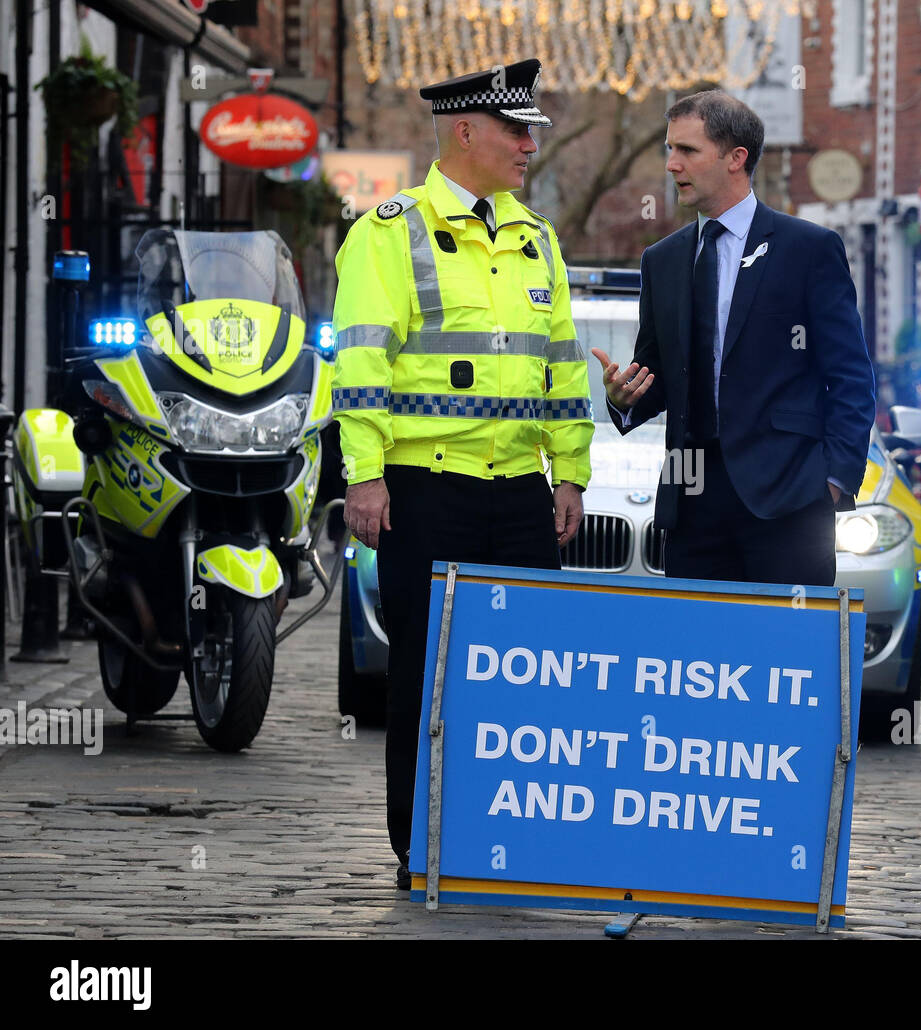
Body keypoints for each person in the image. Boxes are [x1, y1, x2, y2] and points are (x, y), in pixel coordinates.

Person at [331, 59, 593, 889]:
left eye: (533, 134)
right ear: (466, 131)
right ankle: (420, 848)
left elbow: (563, 367)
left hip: (518, 492)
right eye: (517, 131)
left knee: (528, 673)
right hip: (426, 487)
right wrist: (365, 474)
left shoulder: (536, 236)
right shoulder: (387, 232)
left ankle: (507, 843)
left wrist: (571, 473)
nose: (529, 147)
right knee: (422, 674)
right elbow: (363, 360)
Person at [592, 90, 874, 586]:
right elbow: (658, 372)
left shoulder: (809, 249)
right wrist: (624, 398)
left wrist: (833, 482)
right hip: (691, 493)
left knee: (786, 652)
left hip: (789, 500)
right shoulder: (662, 260)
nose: (672, 164)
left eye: (687, 150)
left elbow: (850, 377)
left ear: (735, 158)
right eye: (669, 149)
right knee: (697, 653)